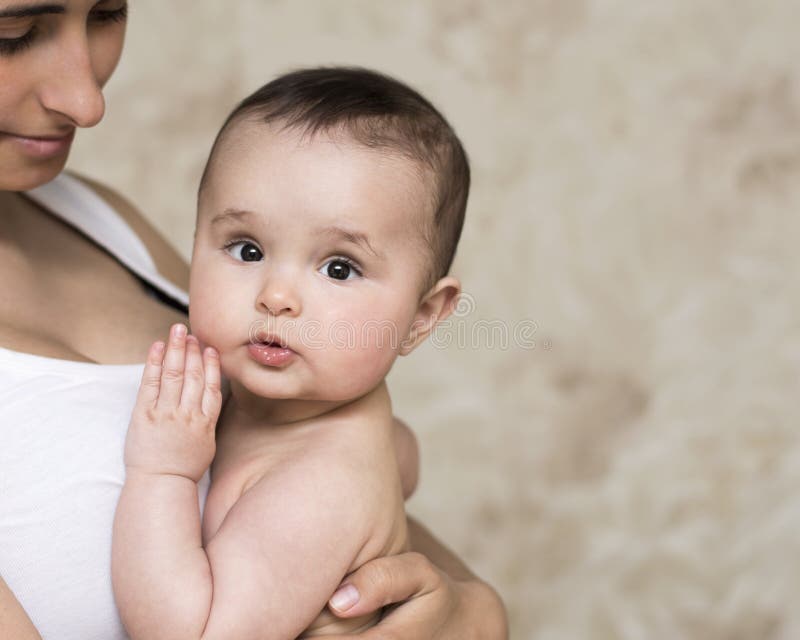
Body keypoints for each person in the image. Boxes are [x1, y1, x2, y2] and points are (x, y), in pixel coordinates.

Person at [0, 2, 508, 639]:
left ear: (423, 315)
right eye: (12, 34)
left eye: (107, 13)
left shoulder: (97, 221)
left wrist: (473, 613)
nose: (276, 297)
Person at [112, 66, 469, 639]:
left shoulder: (318, 491)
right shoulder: (344, 418)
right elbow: (405, 457)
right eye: (246, 249)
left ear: (421, 317)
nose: (275, 297)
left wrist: (162, 471)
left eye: (338, 267)